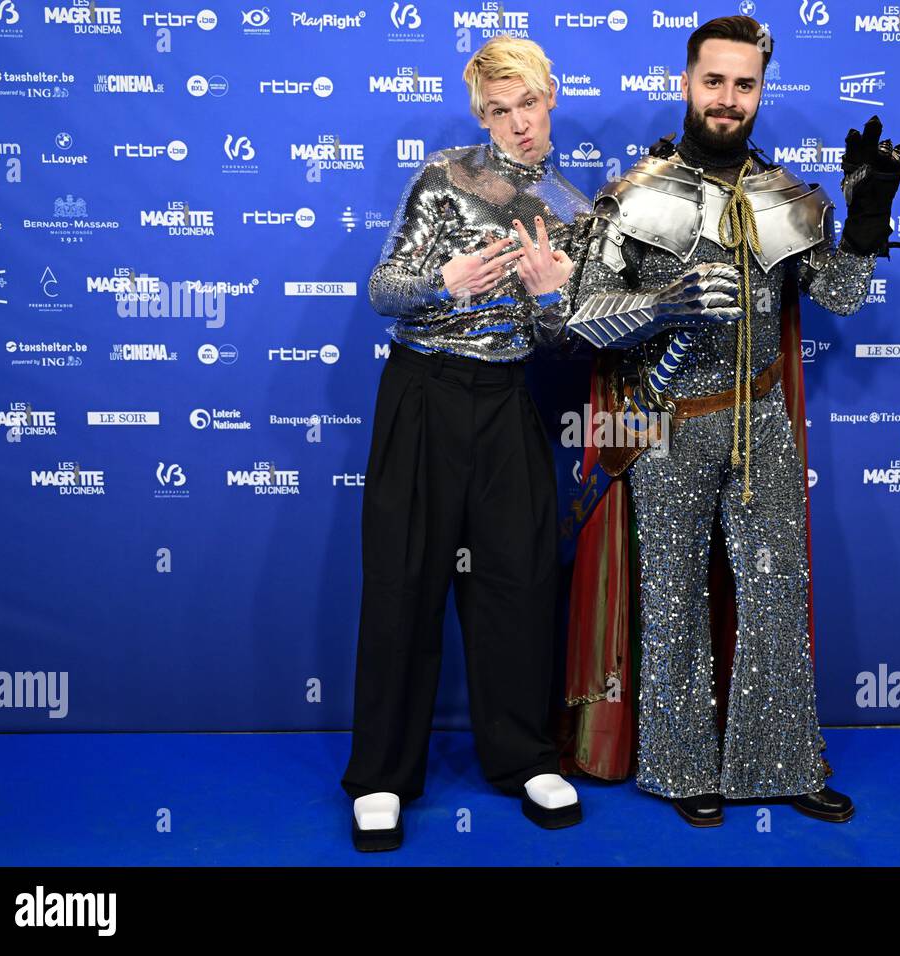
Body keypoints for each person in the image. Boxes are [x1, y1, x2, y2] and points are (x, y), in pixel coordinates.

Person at [563, 15, 900, 827]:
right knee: (674, 599)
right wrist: (660, 306)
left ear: (761, 92)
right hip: (669, 424)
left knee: (777, 595)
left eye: (743, 84)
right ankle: (683, 769)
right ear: (687, 83)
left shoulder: (787, 194)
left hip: (761, 420)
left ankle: (780, 763)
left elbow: (843, 296)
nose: (727, 98)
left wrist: (863, 224)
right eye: (713, 81)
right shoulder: (635, 193)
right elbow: (579, 316)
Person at [340, 35, 591, 851]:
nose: (517, 123)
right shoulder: (443, 177)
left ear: (551, 94)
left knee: (518, 581)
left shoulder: (573, 209)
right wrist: (442, 283)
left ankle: (523, 758)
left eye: (528, 102)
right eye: (498, 109)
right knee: (402, 582)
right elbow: (382, 290)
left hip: (506, 399)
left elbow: (560, 345)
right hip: (424, 394)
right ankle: (379, 774)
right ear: (480, 114)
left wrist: (555, 305)